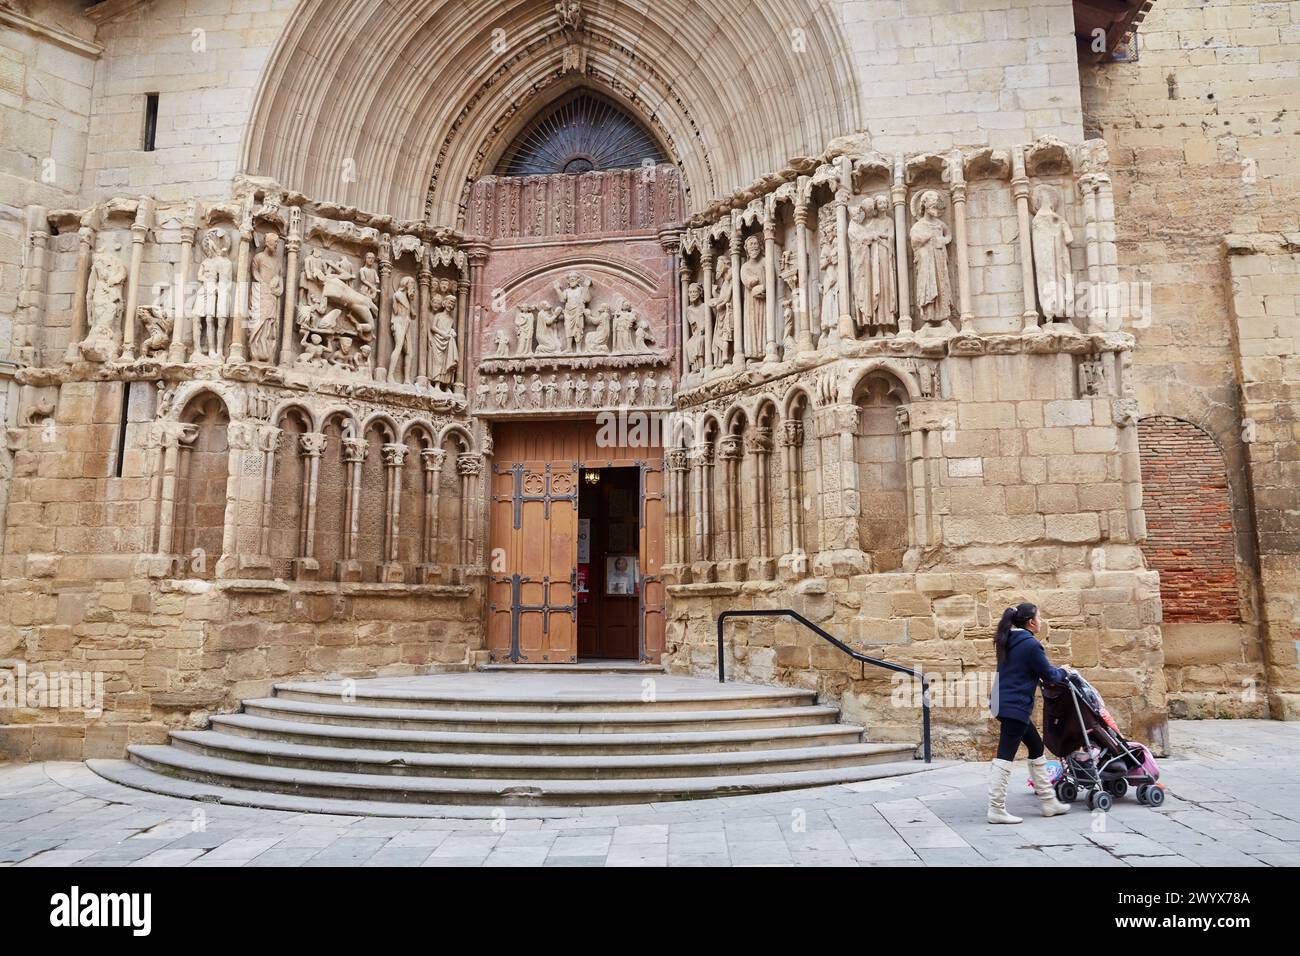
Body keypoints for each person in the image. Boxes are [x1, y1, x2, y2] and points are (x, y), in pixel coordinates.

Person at [987, 602, 1072, 824]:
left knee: (1035, 746)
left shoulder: (1008, 639)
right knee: (1004, 756)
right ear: (1031, 622)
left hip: (1003, 702)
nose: (1041, 622)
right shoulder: (1030, 645)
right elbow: (1050, 676)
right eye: (1039, 618)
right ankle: (996, 808)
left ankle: (1048, 801)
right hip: (1014, 705)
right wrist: (1065, 671)